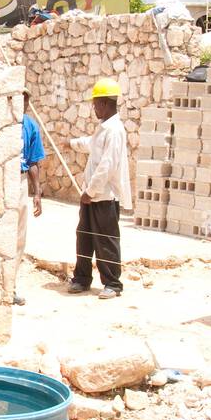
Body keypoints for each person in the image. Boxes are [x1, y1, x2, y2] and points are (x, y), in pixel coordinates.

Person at [68, 78, 130, 299]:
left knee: (106, 240)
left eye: (95, 104)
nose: (94, 108)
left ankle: (113, 283)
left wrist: (90, 191)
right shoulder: (103, 129)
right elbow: (92, 145)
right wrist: (72, 143)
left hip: (104, 196)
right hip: (92, 196)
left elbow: (107, 165)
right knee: (84, 236)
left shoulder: (115, 130)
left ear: (104, 103)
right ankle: (82, 278)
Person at [13, 89, 46, 306]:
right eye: (20, 102)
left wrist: (36, 192)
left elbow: (33, 162)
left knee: (18, 236)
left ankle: (10, 286)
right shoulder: (0, 123)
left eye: (26, 102)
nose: (23, 106)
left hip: (20, 181)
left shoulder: (30, 126)